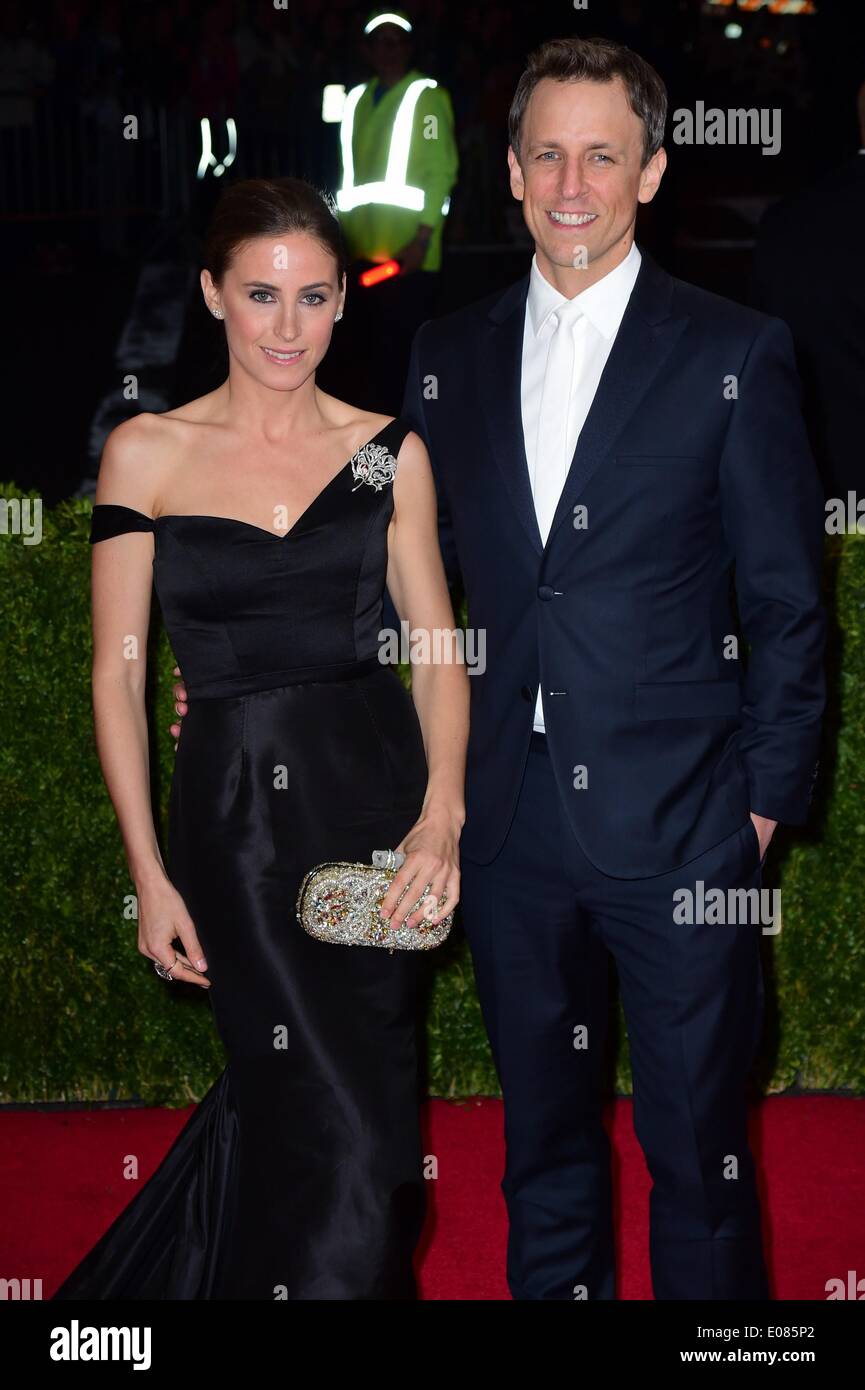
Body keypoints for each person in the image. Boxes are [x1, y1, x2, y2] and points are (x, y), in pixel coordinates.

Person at [398, 35, 824, 1299]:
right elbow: (411, 586)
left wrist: (757, 812)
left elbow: (790, 604)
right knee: (543, 1157)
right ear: (512, 174)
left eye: (601, 154)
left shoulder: (735, 351)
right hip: (510, 829)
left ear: (650, 172)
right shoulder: (443, 354)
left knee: (702, 1158)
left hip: (688, 826)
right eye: (546, 154)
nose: (569, 182)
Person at [52, 176, 468, 1301]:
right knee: (297, 1099)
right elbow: (118, 669)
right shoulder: (148, 451)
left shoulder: (388, 454)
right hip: (232, 821)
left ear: (343, 305)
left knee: (372, 1124)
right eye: (261, 294)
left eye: (314, 296)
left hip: (375, 811)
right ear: (212, 295)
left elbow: (436, 643)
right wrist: (147, 870)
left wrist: (441, 820)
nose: (288, 327)